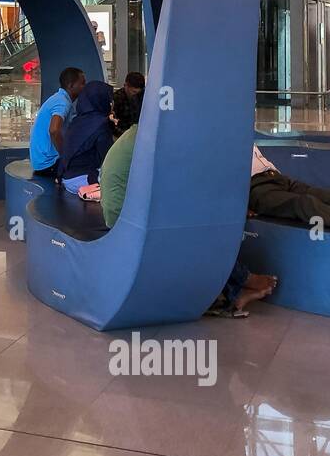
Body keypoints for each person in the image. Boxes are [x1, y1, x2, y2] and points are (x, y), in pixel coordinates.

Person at [96, 118, 278, 316]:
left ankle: (232, 293)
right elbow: (182, 185)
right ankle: (243, 282)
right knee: (197, 233)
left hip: (123, 214)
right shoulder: (152, 141)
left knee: (194, 226)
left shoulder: (138, 135)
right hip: (128, 218)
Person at [29, 67, 86, 178]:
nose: (85, 87)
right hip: (48, 164)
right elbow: (54, 130)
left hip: (41, 161)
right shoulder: (62, 102)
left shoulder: (58, 98)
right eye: (82, 83)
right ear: (71, 85)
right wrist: (65, 155)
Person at [58, 80, 114, 193]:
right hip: (85, 179)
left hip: (66, 178)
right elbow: (109, 158)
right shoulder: (101, 124)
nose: (110, 104)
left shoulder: (77, 121)